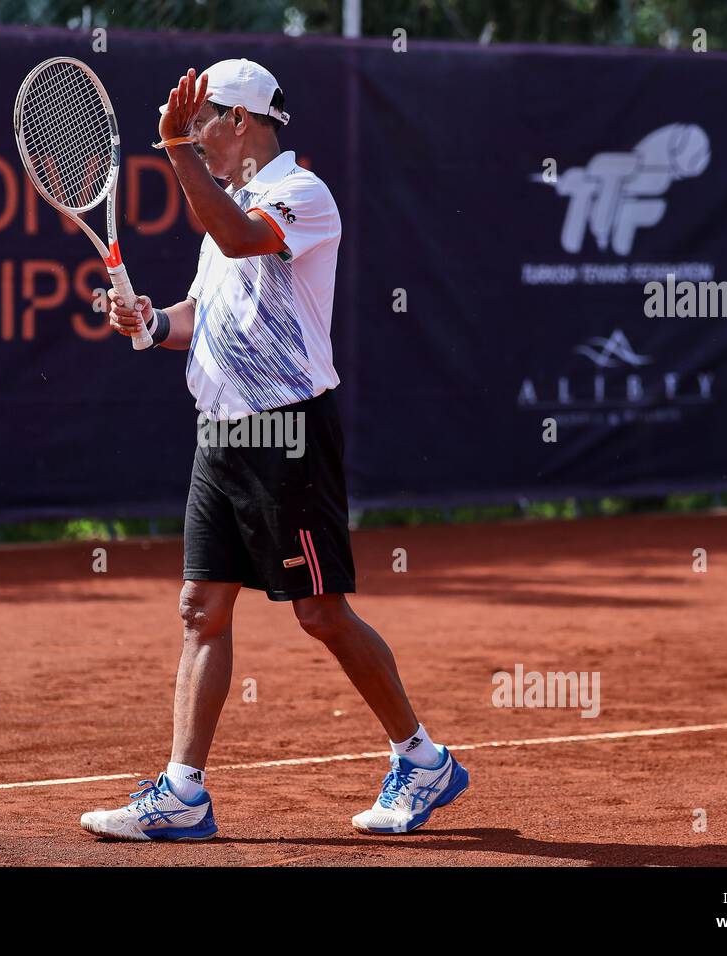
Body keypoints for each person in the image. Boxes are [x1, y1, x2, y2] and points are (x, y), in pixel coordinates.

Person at [79, 60, 468, 840]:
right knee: (201, 610)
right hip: (219, 433)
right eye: (188, 127)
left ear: (243, 123)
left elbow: (239, 236)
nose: (192, 137)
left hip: (286, 433)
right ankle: (184, 792)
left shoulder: (300, 194)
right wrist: (152, 323)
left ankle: (421, 758)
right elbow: (207, 310)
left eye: (202, 124)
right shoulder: (228, 200)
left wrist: (170, 150)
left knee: (320, 612)